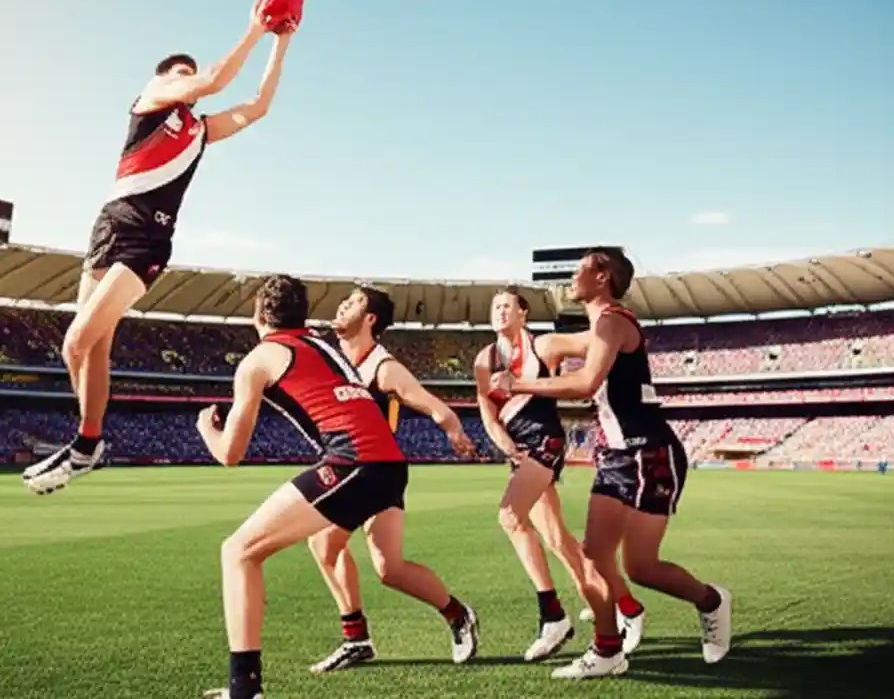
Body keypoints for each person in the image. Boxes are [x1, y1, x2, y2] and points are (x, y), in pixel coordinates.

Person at [23, 7, 297, 495]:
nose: (187, 81)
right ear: (162, 79)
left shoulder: (199, 131)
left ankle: (87, 445)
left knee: (75, 344)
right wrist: (251, 30)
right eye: (179, 75)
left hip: (147, 238)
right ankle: (90, 441)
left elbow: (257, 107)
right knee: (96, 347)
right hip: (109, 225)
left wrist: (279, 38)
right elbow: (211, 79)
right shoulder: (151, 100)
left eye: (188, 75)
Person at [198, 275, 479, 699]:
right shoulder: (322, 345)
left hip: (355, 462)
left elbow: (230, 454)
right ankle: (361, 635)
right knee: (339, 550)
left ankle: (244, 689)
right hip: (386, 465)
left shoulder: (258, 360)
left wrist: (205, 428)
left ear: (258, 314)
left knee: (238, 551)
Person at [491, 247, 732, 680]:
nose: (570, 276)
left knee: (641, 568)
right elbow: (559, 344)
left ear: (601, 275)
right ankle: (607, 650)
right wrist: (529, 344)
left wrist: (519, 384)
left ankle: (711, 601)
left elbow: (586, 381)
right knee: (594, 554)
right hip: (617, 456)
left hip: (649, 452)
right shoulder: (599, 327)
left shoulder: (615, 322)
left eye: (579, 268)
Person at [306, 286, 477, 673]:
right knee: (388, 568)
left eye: (352, 303)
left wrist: (452, 430)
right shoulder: (333, 359)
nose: (341, 306)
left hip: (374, 471)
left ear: (370, 320)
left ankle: (357, 637)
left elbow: (430, 402)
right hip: (356, 469)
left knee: (324, 542)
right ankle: (456, 614)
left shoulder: (382, 367)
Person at [474, 286, 646, 662]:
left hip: (545, 442)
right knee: (559, 541)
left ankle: (552, 615)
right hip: (518, 452)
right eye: (495, 306)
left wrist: (619, 331)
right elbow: (487, 412)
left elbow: (596, 342)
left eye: (508, 306)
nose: (500, 311)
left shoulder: (544, 346)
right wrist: (504, 445)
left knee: (509, 516)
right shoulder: (485, 359)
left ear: (523, 314)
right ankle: (626, 607)